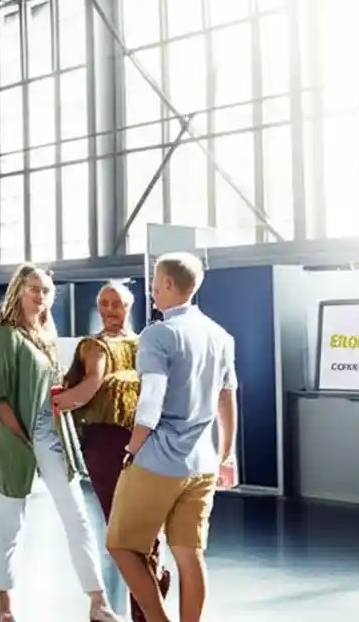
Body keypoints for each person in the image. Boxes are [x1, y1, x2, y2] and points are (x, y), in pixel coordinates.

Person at [106, 253, 239, 622]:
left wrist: (132, 449)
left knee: (120, 544)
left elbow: (151, 402)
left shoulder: (159, 334)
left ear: (166, 283)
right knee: (189, 554)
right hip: (204, 462)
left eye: (153, 282)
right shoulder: (220, 336)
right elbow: (227, 398)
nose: (151, 291)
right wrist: (227, 457)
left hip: (159, 459)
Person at [0, 263, 123, 622]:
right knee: (10, 523)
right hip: (17, 439)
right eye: (34, 288)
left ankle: (98, 602)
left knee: (77, 517)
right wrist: (23, 438)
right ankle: (5, 608)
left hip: (53, 436)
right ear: (19, 289)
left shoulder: (47, 334)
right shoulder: (6, 335)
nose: (41, 296)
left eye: (46, 291)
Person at [54, 281, 171, 622]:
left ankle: (148, 607)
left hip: (147, 438)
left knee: (148, 528)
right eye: (104, 302)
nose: (109, 309)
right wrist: (54, 403)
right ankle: (146, 611)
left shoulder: (145, 344)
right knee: (124, 527)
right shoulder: (94, 346)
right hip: (106, 443)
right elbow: (90, 385)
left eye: (116, 303)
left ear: (129, 306)